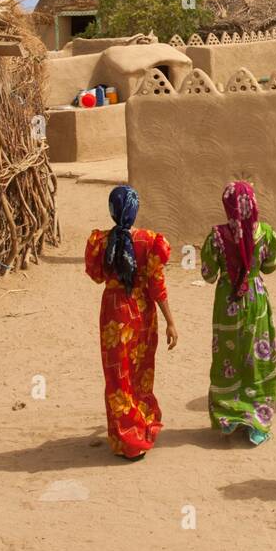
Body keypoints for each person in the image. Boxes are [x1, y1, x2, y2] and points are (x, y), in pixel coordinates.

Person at [84, 185, 177, 460]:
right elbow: (157, 287)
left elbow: (96, 275)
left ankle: (126, 439)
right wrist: (171, 321)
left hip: (113, 314)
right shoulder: (151, 242)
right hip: (142, 314)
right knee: (140, 372)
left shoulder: (99, 242)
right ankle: (142, 427)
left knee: (117, 376)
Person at [201, 181, 276, 445]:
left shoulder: (216, 236)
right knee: (256, 358)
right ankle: (257, 419)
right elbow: (270, 267)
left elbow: (209, 275)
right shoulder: (267, 233)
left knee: (228, 357)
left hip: (228, 302)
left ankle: (227, 415)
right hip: (256, 300)